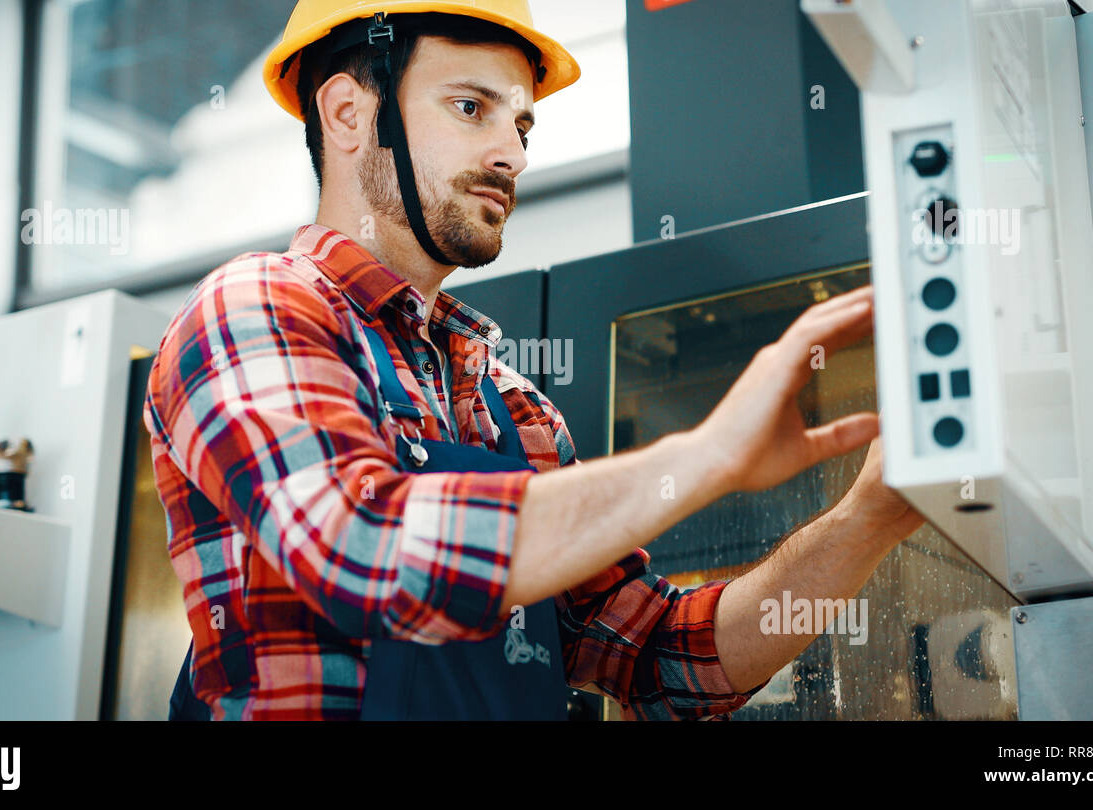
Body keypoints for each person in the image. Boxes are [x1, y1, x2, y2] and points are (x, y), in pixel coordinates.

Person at [142, 0, 927, 721]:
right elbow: (365, 552)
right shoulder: (254, 307)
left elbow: (661, 656)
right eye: (470, 107)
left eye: (522, 126)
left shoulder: (515, 410)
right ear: (349, 115)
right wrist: (709, 456)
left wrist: (868, 518)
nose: (511, 154)